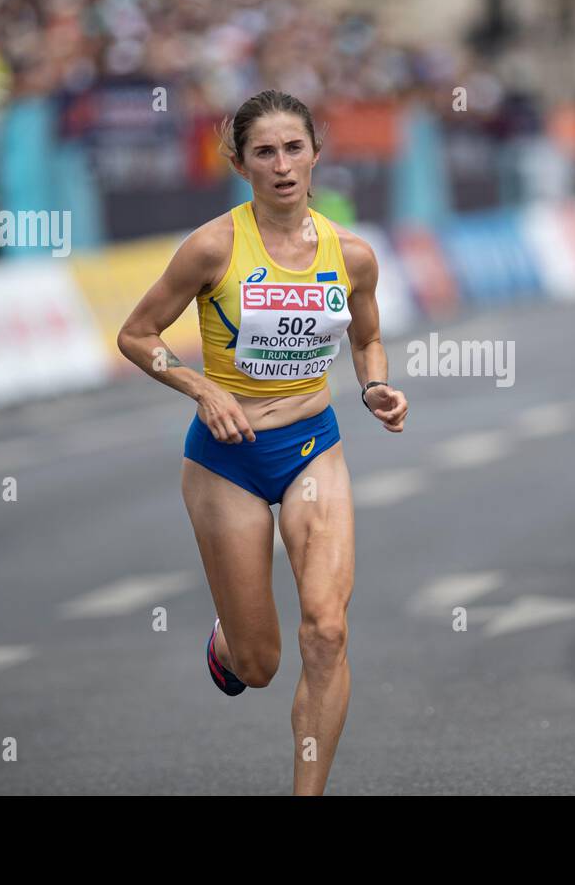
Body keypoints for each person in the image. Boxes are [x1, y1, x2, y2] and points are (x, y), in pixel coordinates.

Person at [116, 89, 409, 796]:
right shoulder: (214, 246)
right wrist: (201, 388)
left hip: (314, 445)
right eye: (265, 153)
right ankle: (229, 640)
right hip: (227, 461)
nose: (282, 166)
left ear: (315, 153)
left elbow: (367, 340)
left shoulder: (354, 256)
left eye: (294, 149)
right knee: (261, 665)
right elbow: (136, 335)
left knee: (327, 631)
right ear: (241, 163)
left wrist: (375, 387)